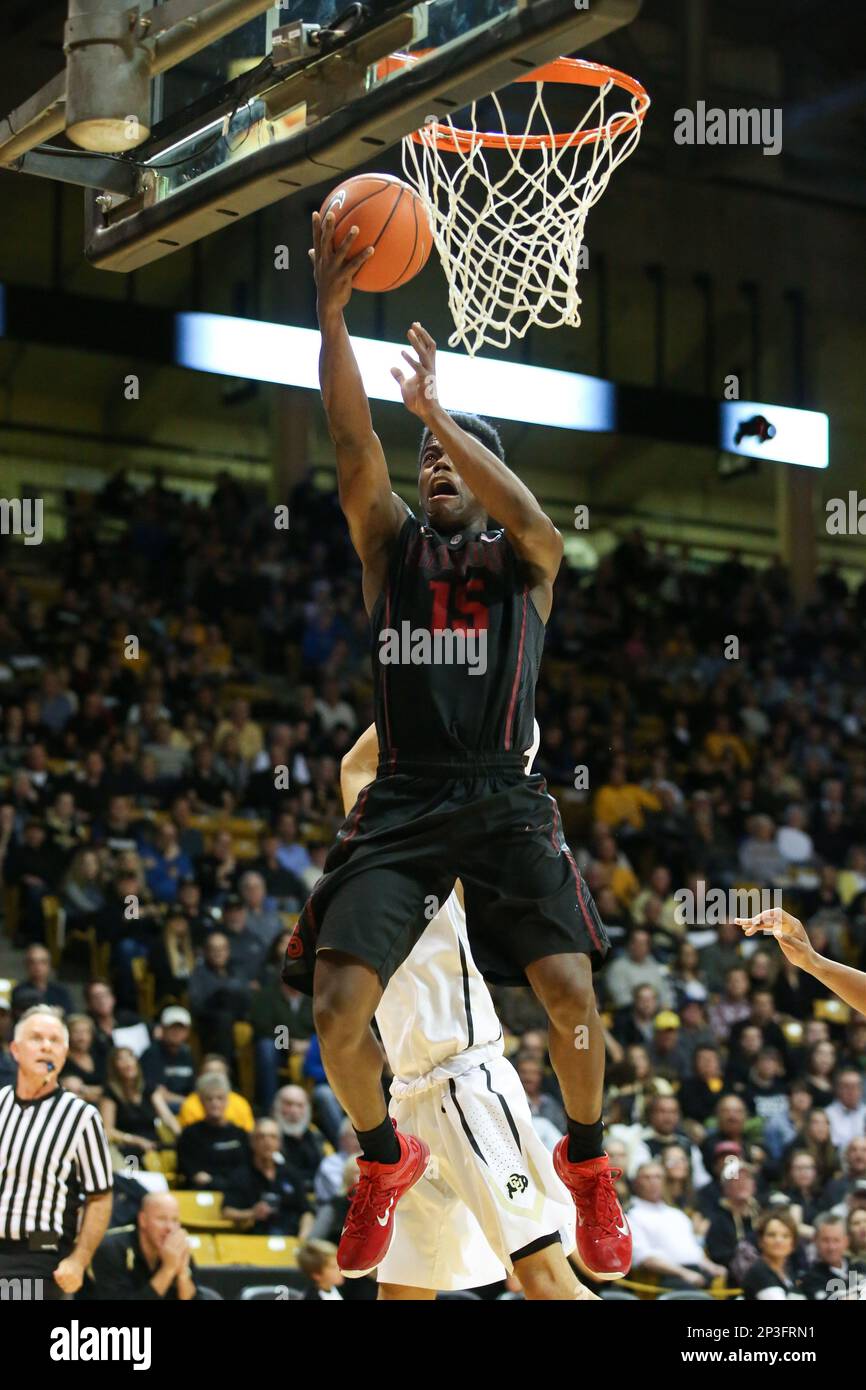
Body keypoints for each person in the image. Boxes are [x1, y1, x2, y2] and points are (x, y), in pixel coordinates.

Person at [283, 214, 624, 1279]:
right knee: (337, 1008)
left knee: (569, 991)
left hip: (501, 794)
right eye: (424, 453)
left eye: (449, 455)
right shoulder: (391, 549)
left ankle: (587, 1158)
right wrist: (332, 320)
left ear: (479, 473)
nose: (432, 464)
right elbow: (351, 449)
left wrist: (439, 407)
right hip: (407, 799)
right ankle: (379, 1159)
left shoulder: (523, 558)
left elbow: (531, 516)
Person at [338, 722, 595, 1300]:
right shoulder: (365, 865)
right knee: (401, 1293)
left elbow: (506, 759)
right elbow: (355, 766)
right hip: (407, 1103)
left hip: (470, 1086)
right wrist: (413, 693)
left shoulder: (448, 863)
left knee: (548, 1284)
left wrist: (478, 699)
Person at [0, 1006, 113, 1300]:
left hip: (39, 1250)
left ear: (64, 1055)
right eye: (36, 1038)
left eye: (55, 1041)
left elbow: (100, 1195)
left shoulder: (81, 1117)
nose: (46, 1046)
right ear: (15, 1049)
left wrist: (78, 1260)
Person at [86, 1191, 205, 1300]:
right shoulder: (111, 1249)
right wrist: (168, 1270)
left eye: (175, 1220)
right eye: (162, 1219)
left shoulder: (178, 1249)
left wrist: (182, 1273)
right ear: (143, 1220)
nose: (170, 1227)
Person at [627, 1162, 727, 1290]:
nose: (653, 1182)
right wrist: (683, 1273)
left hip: (695, 1272)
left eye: (658, 1177)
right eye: (647, 1177)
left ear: (664, 1182)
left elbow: (694, 1251)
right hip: (661, 1278)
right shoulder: (632, 1215)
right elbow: (644, 1259)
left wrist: (711, 1266)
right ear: (636, 1182)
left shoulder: (677, 1214)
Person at [222, 1118, 314, 1237]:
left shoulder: (291, 1174)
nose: (267, 1142)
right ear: (252, 1142)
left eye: (273, 1137)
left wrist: (302, 1239)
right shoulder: (240, 1175)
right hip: (255, 1241)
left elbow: (306, 1212)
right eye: (261, 1137)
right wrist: (252, 1213)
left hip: (291, 1239)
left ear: (279, 1143)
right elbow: (227, 1212)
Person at [99, 1046, 180, 1165]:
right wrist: (135, 1140)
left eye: (130, 1057)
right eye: (121, 1059)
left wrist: (181, 1135)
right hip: (127, 1148)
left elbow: (167, 1116)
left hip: (154, 1145)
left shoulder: (148, 1087)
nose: (127, 1063)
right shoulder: (110, 1093)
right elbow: (107, 1130)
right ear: (114, 1067)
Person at [176, 1071, 250, 1190]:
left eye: (220, 1098)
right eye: (209, 1099)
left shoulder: (240, 1134)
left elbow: (247, 1169)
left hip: (237, 1192)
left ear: (227, 1100)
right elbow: (195, 1174)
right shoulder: (189, 1135)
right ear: (201, 1101)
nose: (215, 1103)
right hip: (204, 1192)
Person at [800, 1211, 866, 1300]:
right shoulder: (810, 1279)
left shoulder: (860, 1267)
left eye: (836, 1240)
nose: (831, 1247)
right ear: (815, 1240)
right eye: (825, 1240)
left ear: (846, 1241)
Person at [140, 1006, 196, 1109]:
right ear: (162, 1029)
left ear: (187, 1032)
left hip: (187, 1107)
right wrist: (189, 1102)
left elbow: (194, 1089)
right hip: (160, 1109)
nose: (176, 1032)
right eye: (172, 1027)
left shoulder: (187, 1055)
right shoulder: (151, 1054)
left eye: (181, 1028)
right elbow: (158, 1093)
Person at [178, 1056, 254, 1132]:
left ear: (227, 1076)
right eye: (209, 1073)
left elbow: (248, 1134)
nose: (214, 1078)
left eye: (219, 1073)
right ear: (200, 1076)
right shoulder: (189, 1105)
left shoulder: (240, 1103)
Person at [741, 1209, 802, 1300]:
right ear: (761, 1241)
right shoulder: (760, 1271)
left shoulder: (788, 1272)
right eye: (771, 1235)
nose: (778, 1241)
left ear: (793, 1244)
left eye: (785, 1236)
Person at [11, 944, 73, 1017]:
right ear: (26, 965)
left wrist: (61, 1013)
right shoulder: (19, 991)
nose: (38, 967)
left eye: (43, 962)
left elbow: (71, 1015)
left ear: (49, 965)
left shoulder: (61, 992)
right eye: (33, 962)